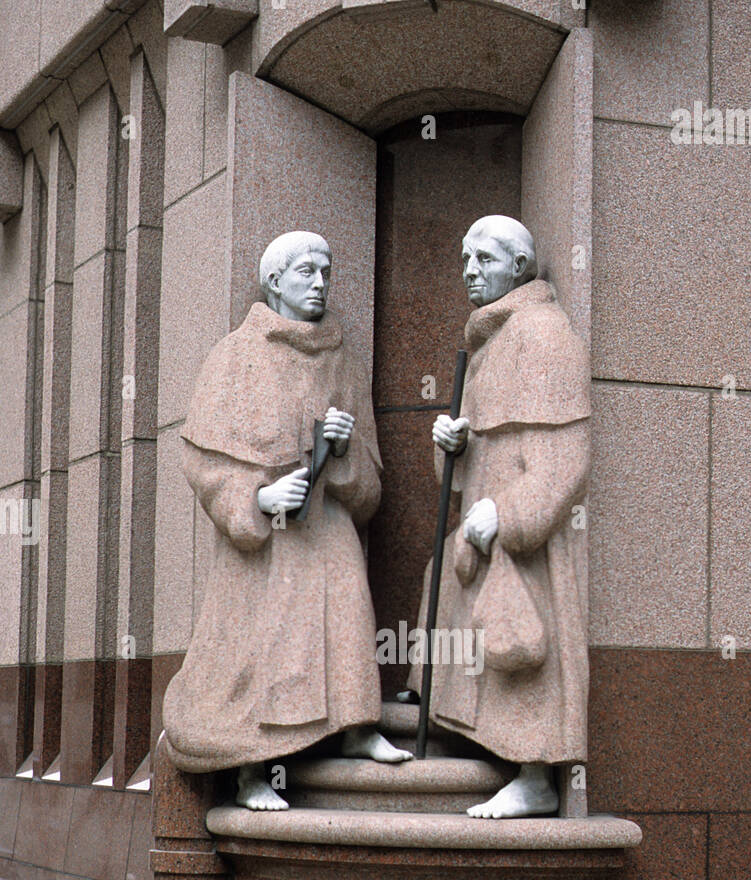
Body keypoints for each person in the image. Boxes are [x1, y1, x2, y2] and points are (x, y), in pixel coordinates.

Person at [162, 231, 410, 810]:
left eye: (326, 272)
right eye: (306, 272)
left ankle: (355, 728)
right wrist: (258, 498)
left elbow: (370, 484)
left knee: (349, 614)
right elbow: (204, 461)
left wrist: (344, 454)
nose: (320, 284)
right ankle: (253, 772)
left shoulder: (341, 355)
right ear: (275, 281)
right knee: (258, 649)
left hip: (326, 527)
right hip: (267, 540)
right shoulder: (234, 356)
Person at [408, 215, 590, 818]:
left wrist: (508, 514)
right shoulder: (490, 343)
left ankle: (536, 774)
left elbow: (565, 460)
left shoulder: (544, 333)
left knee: (530, 642)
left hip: (518, 538)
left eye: (484, 258)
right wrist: (452, 449)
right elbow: (456, 485)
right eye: (464, 258)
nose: (469, 270)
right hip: (484, 528)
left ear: (519, 266)